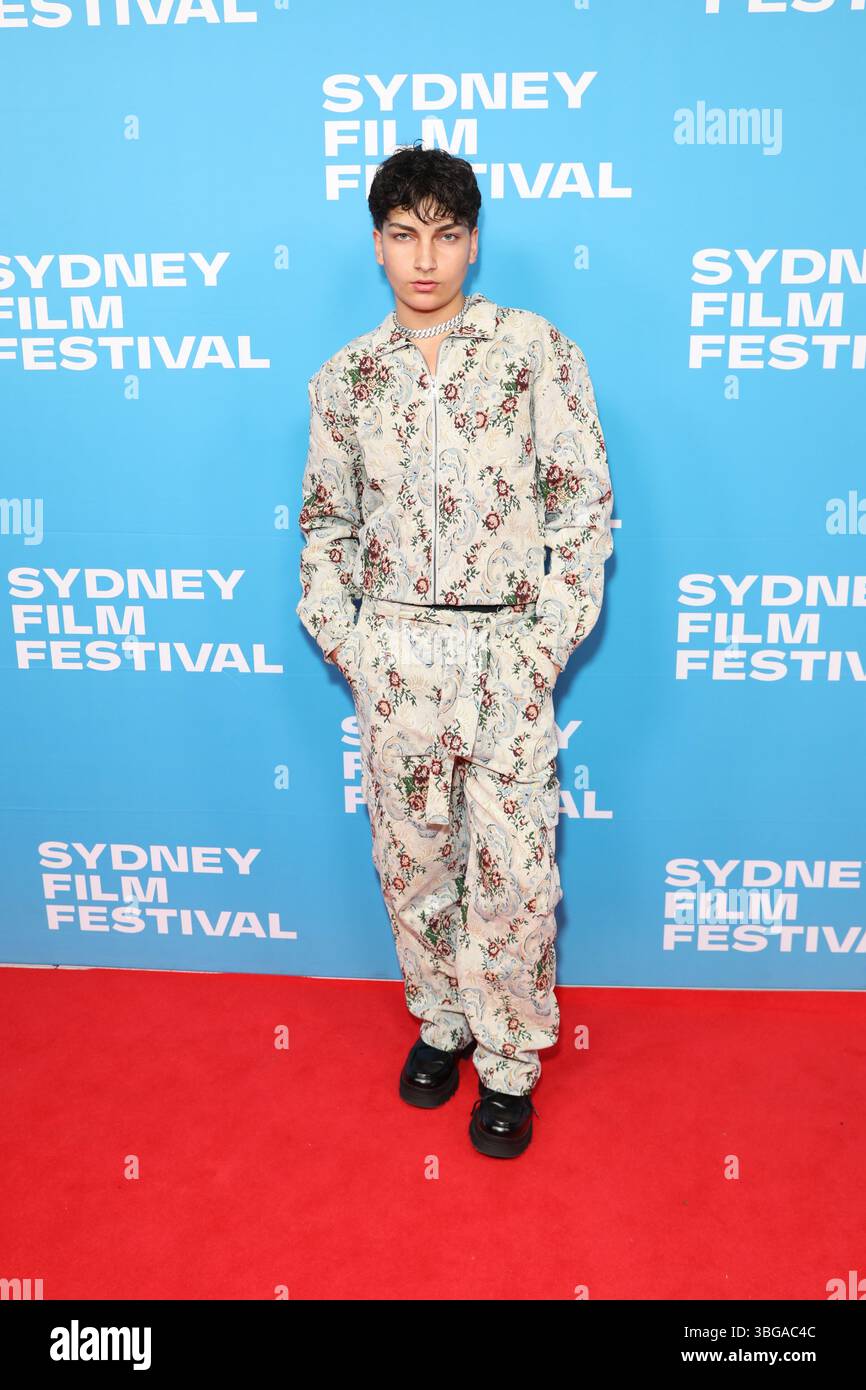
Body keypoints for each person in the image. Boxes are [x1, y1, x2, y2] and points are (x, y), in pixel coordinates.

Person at [296, 141, 614, 1159]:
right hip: (395, 660)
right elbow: (324, 529)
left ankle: (510, 1062)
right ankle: (440, 1021)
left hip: (504, 658)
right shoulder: (342, 381)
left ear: (472, 244)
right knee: (413, 860)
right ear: (377, 247)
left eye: (442, 235)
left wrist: (538, 649)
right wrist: (355, 646)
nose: (422, 258)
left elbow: (583, 509)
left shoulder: (535, 352)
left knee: (515, 873)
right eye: (401, 236)